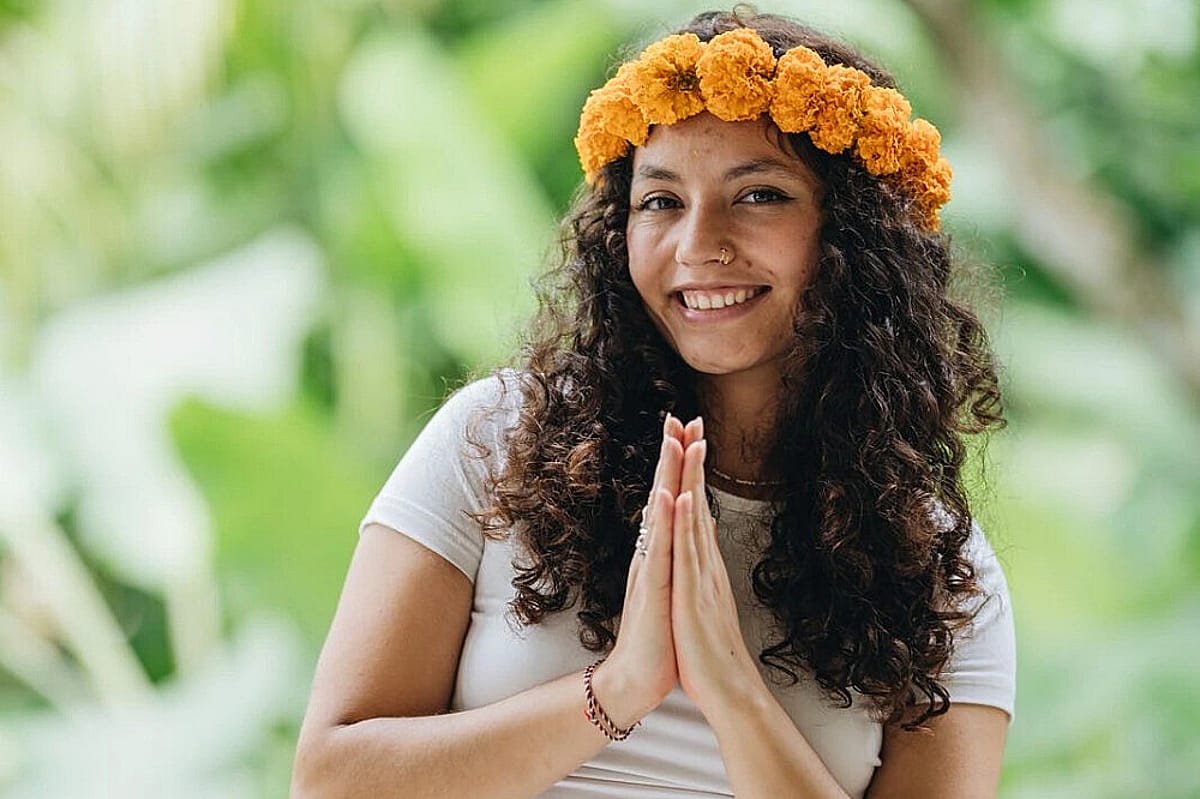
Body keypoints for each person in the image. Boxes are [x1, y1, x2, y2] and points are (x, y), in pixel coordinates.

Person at [291, 9, 1016, 799]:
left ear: (854, 235)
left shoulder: (939, 569)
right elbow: (331, 781)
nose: (699, 243)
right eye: (661, 200)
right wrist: (618, 690)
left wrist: (732, 687)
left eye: (759, 194)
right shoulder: (495, 440)